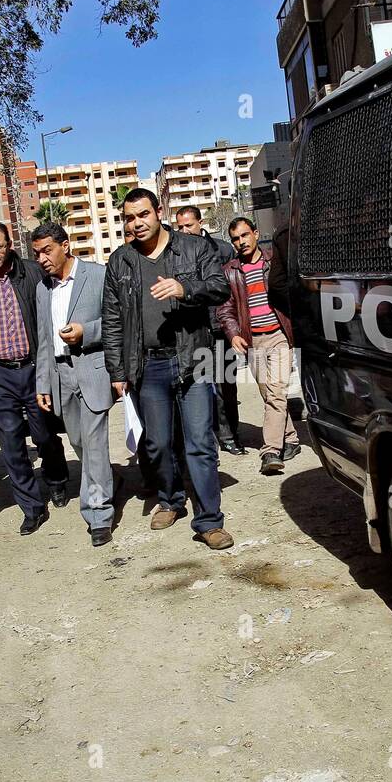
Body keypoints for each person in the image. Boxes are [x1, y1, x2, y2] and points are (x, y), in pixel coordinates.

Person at [102, 188, 234, 550]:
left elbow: (220, 288)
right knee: (157, 443)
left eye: (143, 214)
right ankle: (170, 498)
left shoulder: (193, 248)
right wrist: (117, 371)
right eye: (129, 218)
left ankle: (209, 521)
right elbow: (112, 320)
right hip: (147, 365)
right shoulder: (120, 262)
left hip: (193, 359)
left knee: (199, 443)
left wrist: (185, 287)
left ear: (159, 212)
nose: (137, 223)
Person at [0, 220, 68, 535]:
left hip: (33, 368)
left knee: (44, 434)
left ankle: (57, 477)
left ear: (10, 244)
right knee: (10, 443)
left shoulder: (33, 273)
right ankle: (31, 507)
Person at [31, 224, 115, 547]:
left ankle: (98, 514)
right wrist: (43, 384)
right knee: (80, 444)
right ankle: (108, 479)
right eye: (36, 253)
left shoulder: (97, 275)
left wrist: (86, 332)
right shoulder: (42, 289)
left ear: (65, 246)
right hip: (60, 375)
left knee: (93, 447)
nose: (42, 258)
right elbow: (42, 339)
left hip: (92, 369)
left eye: (47, 250)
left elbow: (115, 322)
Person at [218, 217, 300, 475]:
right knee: (269, 395)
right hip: (252, 341)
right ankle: (292, 439)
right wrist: (232, 334)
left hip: (278, 335)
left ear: (255, 233)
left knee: (276, 393)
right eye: (235, 238)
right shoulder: (230, 271)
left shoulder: (274, 261)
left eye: (244, 235)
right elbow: (225, 309)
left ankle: (270, 451)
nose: (241, 242)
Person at [175, 205, 243, 456]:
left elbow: (232, 290)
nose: (184, 231)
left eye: (188, 225)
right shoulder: (177, 253)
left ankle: (229, 434)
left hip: (221, 328)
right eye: (180, 226)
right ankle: (210, 436)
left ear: (200, 223)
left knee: (226, 384)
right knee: (201, 386)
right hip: (194, 330)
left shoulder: (223, 250)